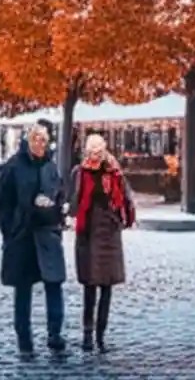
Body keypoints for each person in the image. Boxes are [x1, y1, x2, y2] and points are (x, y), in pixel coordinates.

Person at [0, 126, 67, 357]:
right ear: (28, 140)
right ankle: (24, 339)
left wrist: (57, 210)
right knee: (23, 288)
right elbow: (1, 203)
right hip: (23, 236)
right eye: (36, 138)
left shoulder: (51, 167)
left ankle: (55, 334)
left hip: (47, 233)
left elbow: (61, 194)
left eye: (43, 139)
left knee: (53, 284)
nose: (39, 143)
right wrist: (11, 230)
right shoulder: (14, 167)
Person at [68, 135, 135, 353]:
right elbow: (74, 200)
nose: (95, 155)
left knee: (107, 286)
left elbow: (125, 198)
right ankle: (87, 333)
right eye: (91, 152)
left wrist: (126, 218)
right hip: (88, 233)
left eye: (98, 151)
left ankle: (101, 335)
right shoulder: (80, 172)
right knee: (89, 285)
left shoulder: (114, 171)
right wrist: (68, 215)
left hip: (109, 233)